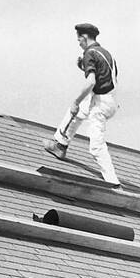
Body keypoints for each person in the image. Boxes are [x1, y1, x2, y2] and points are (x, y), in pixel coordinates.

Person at [43, 23, 120, 185]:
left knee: (96, 147)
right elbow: (103, 77)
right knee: (78, 113)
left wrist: (75, 101)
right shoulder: (105, 53)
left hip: (100, 102)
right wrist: (83, 67)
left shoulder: (89, 53)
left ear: (84, 37)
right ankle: (61, 144)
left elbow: (91, 82)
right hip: (109, 100)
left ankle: (113, 182)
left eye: (79, 39)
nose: (78, 42)